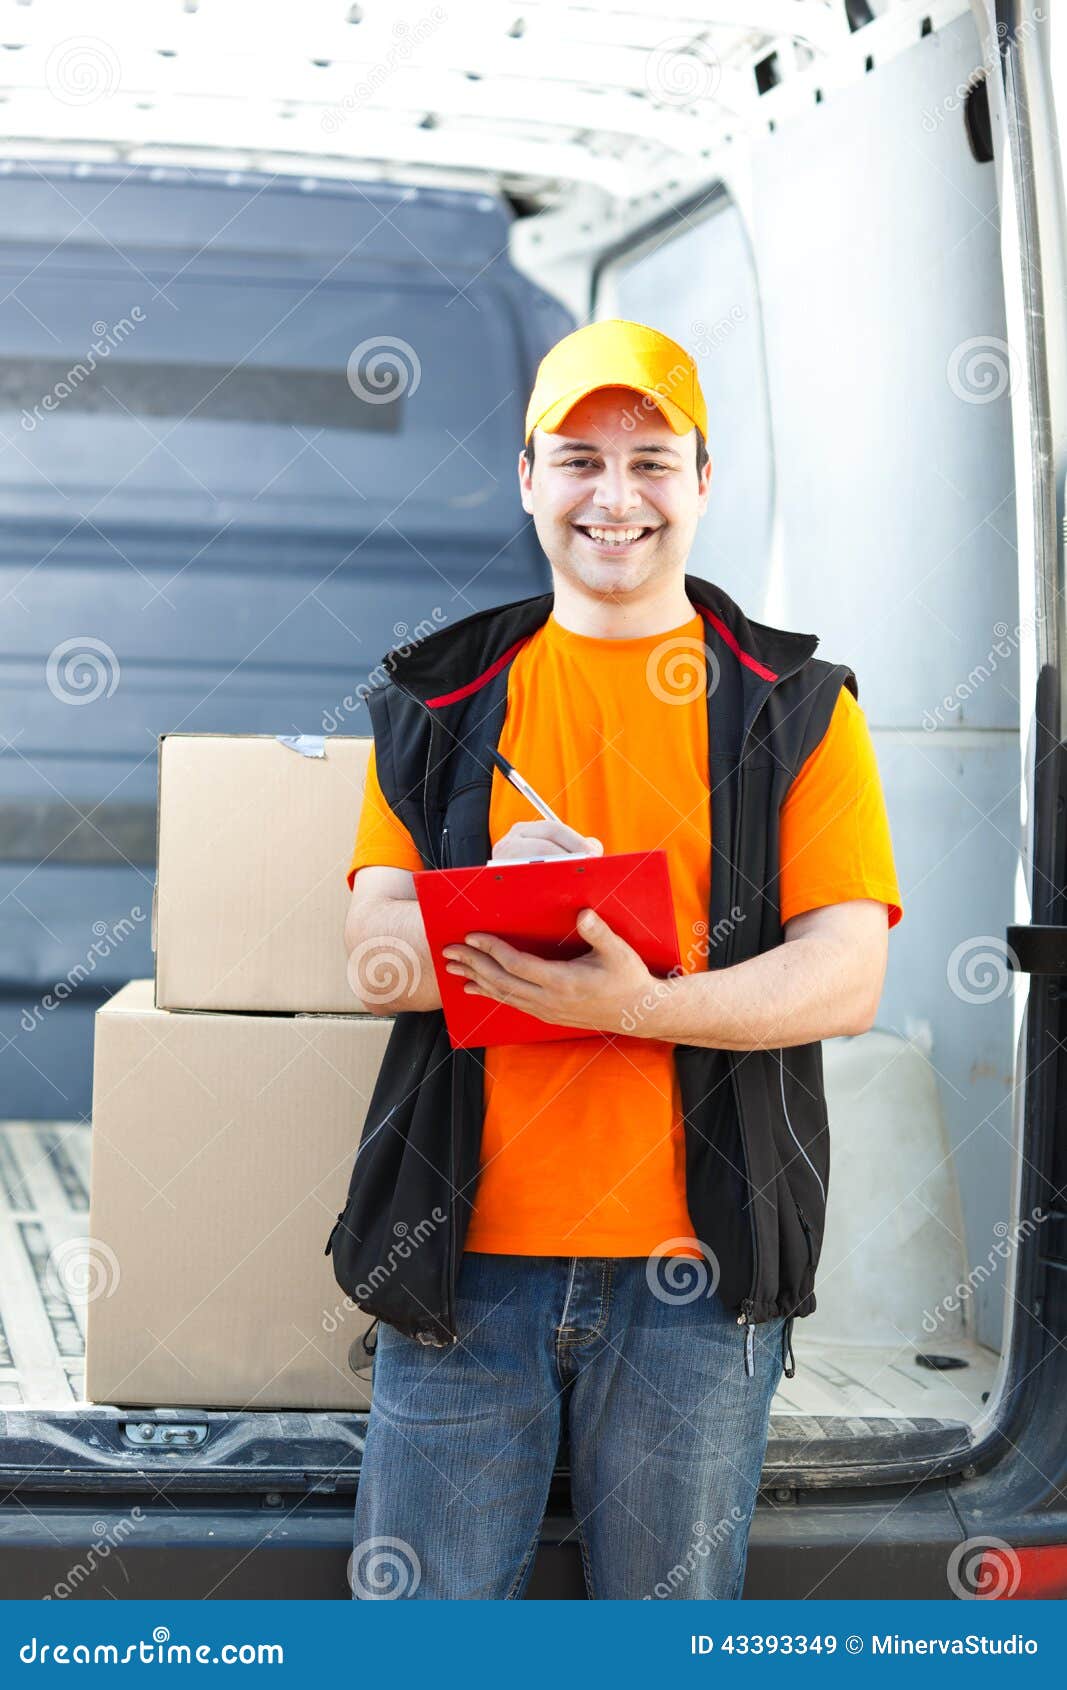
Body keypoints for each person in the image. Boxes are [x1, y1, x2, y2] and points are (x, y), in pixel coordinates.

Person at [335, 318, 904, 1601]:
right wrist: (505, 897)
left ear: (701, 482)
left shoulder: (793, 705)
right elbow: (373, 957)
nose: (614, 495)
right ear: (525, 477)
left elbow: (844, 975)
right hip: (459, 1264)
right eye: (579, 459)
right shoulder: (436, 700)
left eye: (650, 462)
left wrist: (641, 1004)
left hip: (696, 1281)